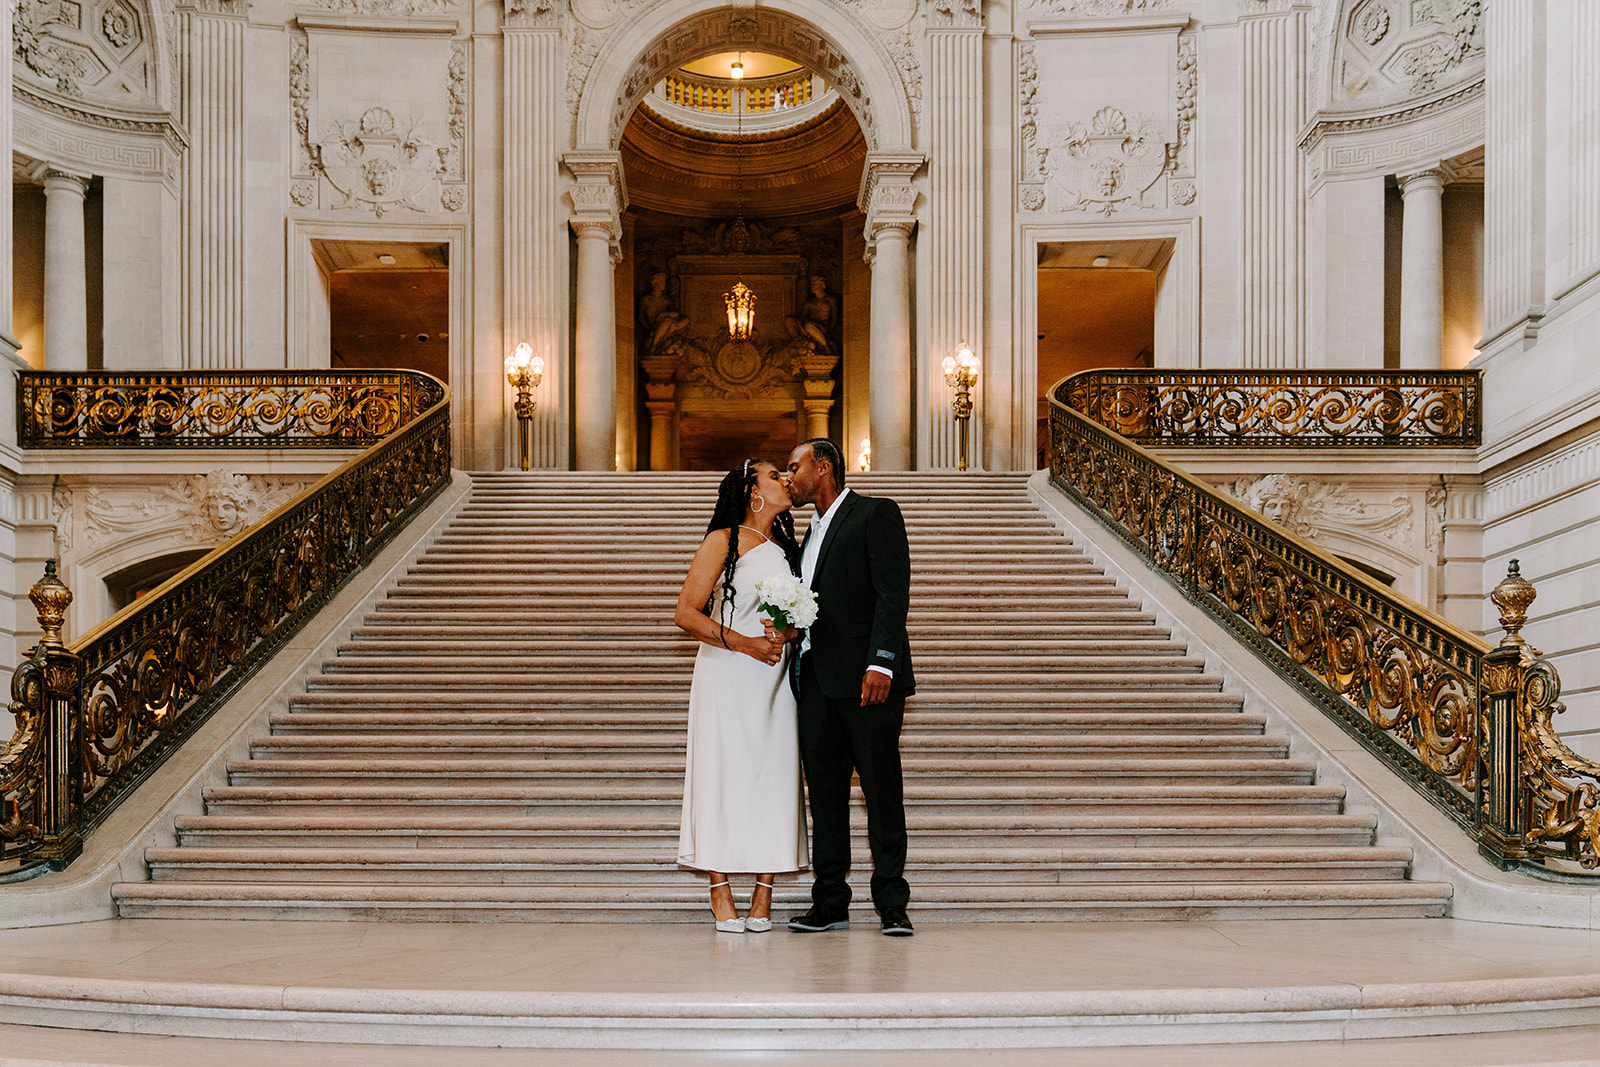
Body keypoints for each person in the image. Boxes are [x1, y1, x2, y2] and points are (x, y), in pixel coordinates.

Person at [782, 437, 916, 937]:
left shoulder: (875, 514)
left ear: (824, 466)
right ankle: (830, 900)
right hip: (815, 681)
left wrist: (881, 664)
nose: (789, 478)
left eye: (795, 468)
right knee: (827, 794)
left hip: (866, 679)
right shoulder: (803, 535)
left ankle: (891, 902)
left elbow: (891, 593)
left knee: (881, 790)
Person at [674, 459, 809, 932]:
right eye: (775, 476)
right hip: (728, 673)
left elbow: (795, 618)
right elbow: (686, 613)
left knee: (772, 773)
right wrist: (747, 643)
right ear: (752, 491)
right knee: (723, 773)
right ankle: (720, 889)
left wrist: (786, 633)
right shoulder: (722, 541)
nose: (786, 481)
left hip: (773, 680)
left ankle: (764, 893)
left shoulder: (788, 549)